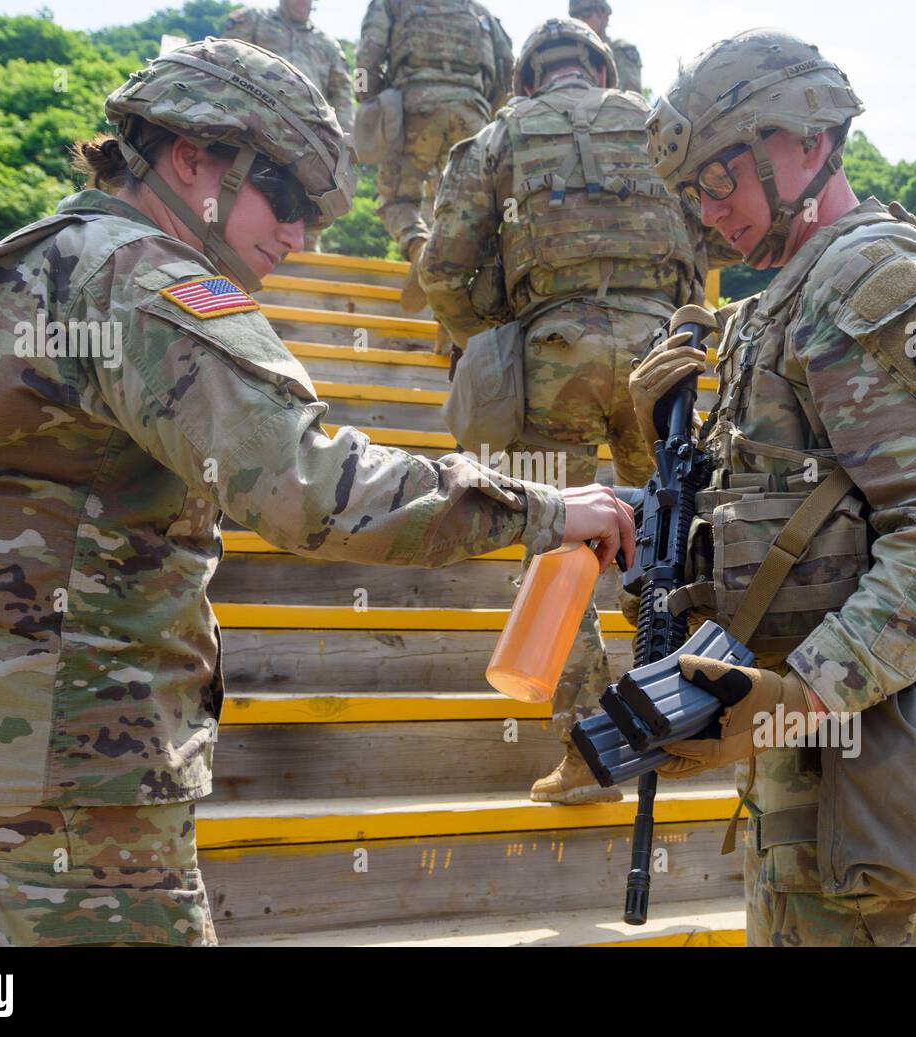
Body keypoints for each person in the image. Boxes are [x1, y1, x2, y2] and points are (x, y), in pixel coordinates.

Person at [0, 38, 633, 947]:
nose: (303, 234)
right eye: (289, 196)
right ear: (195, 157)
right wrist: (543, 508)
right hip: (64, 788)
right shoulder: (152, 282)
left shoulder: (4, 274)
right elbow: (308, 487)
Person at [631, 29, 916, 946]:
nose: (707, 211)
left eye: (718, 180)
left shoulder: (874, 280)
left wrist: (795, 697)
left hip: (864, 772)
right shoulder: (782, 298)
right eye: (693, 194)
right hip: (801, 779)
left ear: (800, 140)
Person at [418, 19, 699, 804]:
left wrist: (498, 334)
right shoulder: (652, 124)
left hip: (552, 357)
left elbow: (442, 267)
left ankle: (590, 755)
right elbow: (703, 244)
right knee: (671, 537)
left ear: (526, 78)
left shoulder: (499, 135)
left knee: (556, 543)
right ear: (601, 68)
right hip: (661, 356)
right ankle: (684, 717)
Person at [355, 0, 515, 312]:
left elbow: (366, 57)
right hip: (473, 114)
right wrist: (490, 113)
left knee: (397, 200)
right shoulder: (480, 11)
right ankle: (457, 315)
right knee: (474, 213)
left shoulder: (392, 3)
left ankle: (419, 249)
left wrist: (370, 98)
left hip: (415, 106)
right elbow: (508, 68)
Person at [221, 0, 352, 253]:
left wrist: (341, 148)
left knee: (305, 220)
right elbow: (223, 66)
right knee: (241, 207)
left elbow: (343, 98)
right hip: (252, 137)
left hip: (309, 147)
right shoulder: (252, 21)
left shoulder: (328, 45)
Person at [569, 0, 641, 94]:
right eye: (575, 17)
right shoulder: (570, 53)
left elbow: (629, 97)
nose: (580, 20)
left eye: (586, 14)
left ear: (604, 16)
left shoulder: (620, 50)